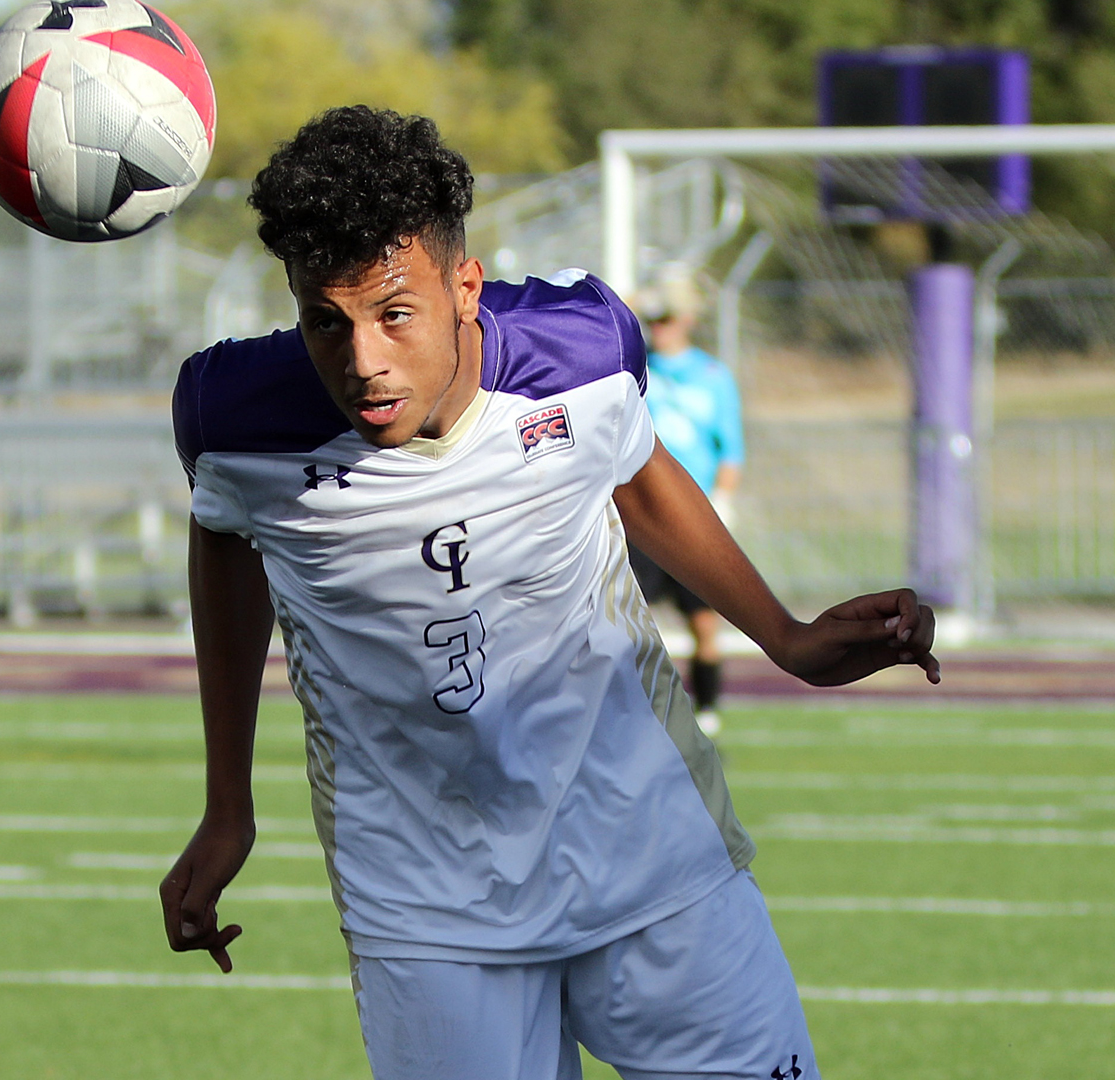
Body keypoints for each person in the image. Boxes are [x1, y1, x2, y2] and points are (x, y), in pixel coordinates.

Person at [161, 106, 939, 1080]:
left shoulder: (585, 351)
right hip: (426, 908)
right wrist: (227, 802)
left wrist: (782, 636)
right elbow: (226, 534)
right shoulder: (235, 418)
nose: (363, 361)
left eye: (395, 314)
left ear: (465, 286)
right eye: (327, 320)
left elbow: (640, 472)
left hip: (652, 856)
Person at [631, 272, 746, 738]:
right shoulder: (633, 368)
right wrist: (645, 295)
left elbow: (731, 449)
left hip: (695, 517)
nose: (659, 327)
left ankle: (709, 715)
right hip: (643, 517)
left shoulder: (712, 377)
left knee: (704, 624)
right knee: (629, 622)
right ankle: (638, 711)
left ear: (689, 320)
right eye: (653, 319)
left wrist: (723, 500)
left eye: (668, 318)